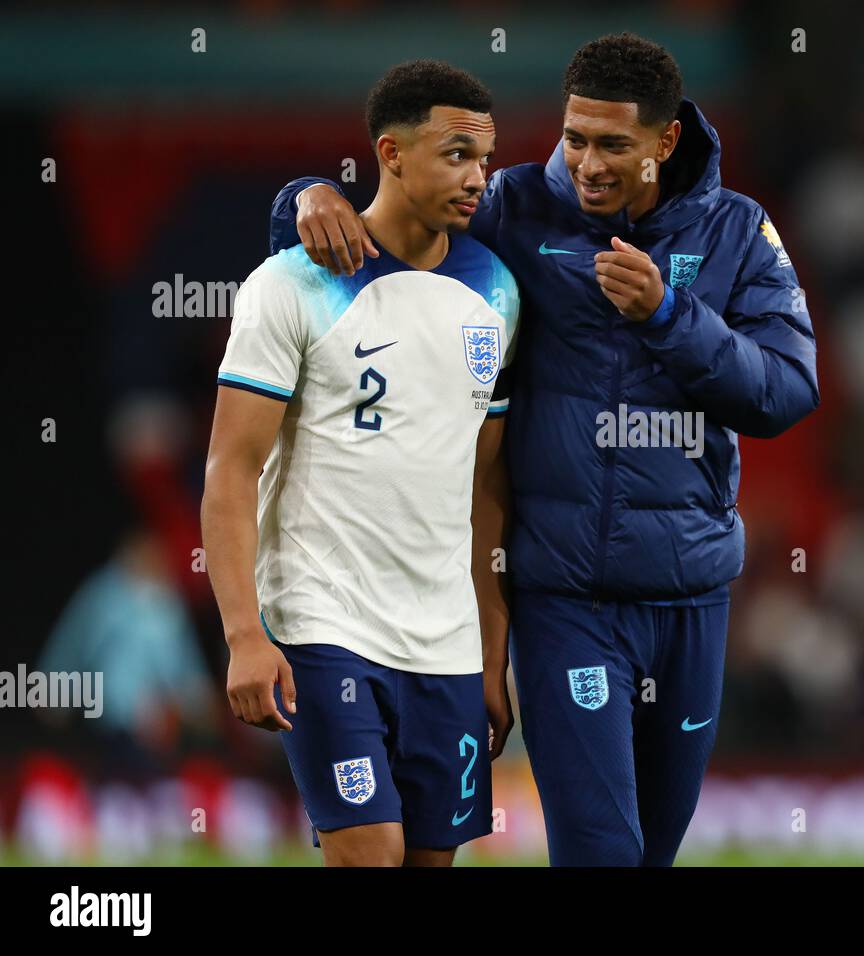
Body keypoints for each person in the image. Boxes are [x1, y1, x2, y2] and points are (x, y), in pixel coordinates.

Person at [270, 33, 818, 866]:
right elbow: (396, 214)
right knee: (601, 853)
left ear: (665, 142)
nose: (587, 163)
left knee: (648, 854)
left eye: (613, 145)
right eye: (574, 138)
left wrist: (670, 315)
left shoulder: (739, 232)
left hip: (690, 597)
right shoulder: (515, 211)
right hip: (566, 598)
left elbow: (785, 391)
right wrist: (305, 196)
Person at [203, 60, 519, 867]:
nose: (477, 177)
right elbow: (231, 468)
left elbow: (485, 489)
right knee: (369, 852)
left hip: (443, 645)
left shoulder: (499, 292)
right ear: (392, 153)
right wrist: (245, 633)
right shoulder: (292, 283)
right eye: (456, 155)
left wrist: (490, 649)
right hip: (323, 623)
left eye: (484, 158)